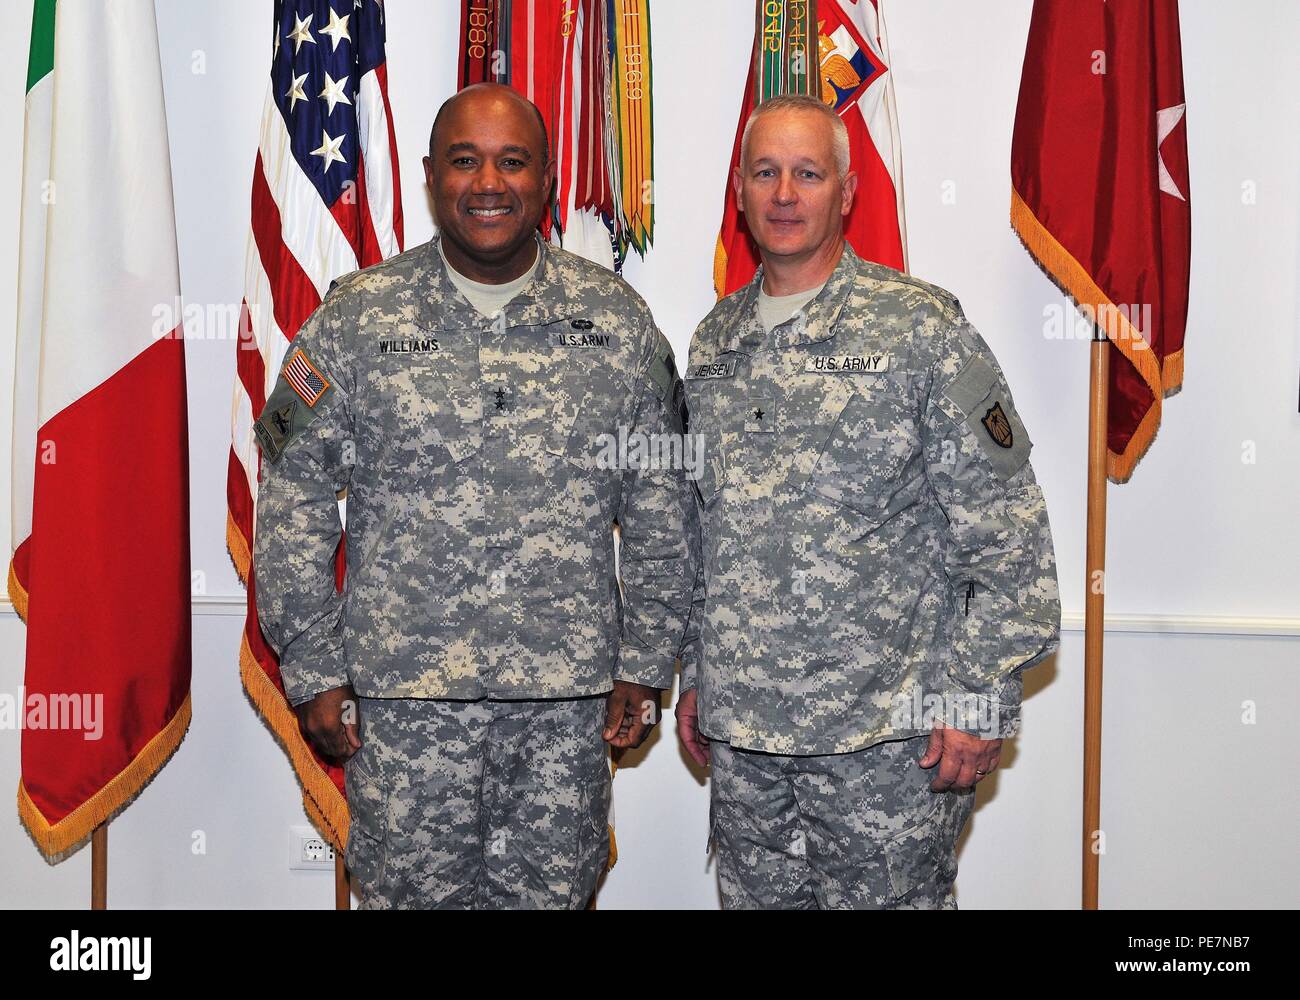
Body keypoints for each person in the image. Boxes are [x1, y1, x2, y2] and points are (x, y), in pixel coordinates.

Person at [254, 83, 697, 909]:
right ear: (430, 177)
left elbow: (661, 503)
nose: (488, 181)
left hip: (564, 713)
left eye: (512, 160)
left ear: (548, 176)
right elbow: (293, 496)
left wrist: (645, 661)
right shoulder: (356, 320)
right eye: (464, 161)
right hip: (403, 709)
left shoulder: (617, 322)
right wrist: (312, 667)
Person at [675, 95, 1061, 909]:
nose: (785, 193)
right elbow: (705, 533)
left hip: (887, 744)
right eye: (766, 173)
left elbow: (1004, 528)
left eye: (808, 174)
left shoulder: (921, 328)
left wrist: (978, 695)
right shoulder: (714, 345)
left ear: (845, 193)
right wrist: (695, 677)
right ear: (740, 192)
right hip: (748, 748)